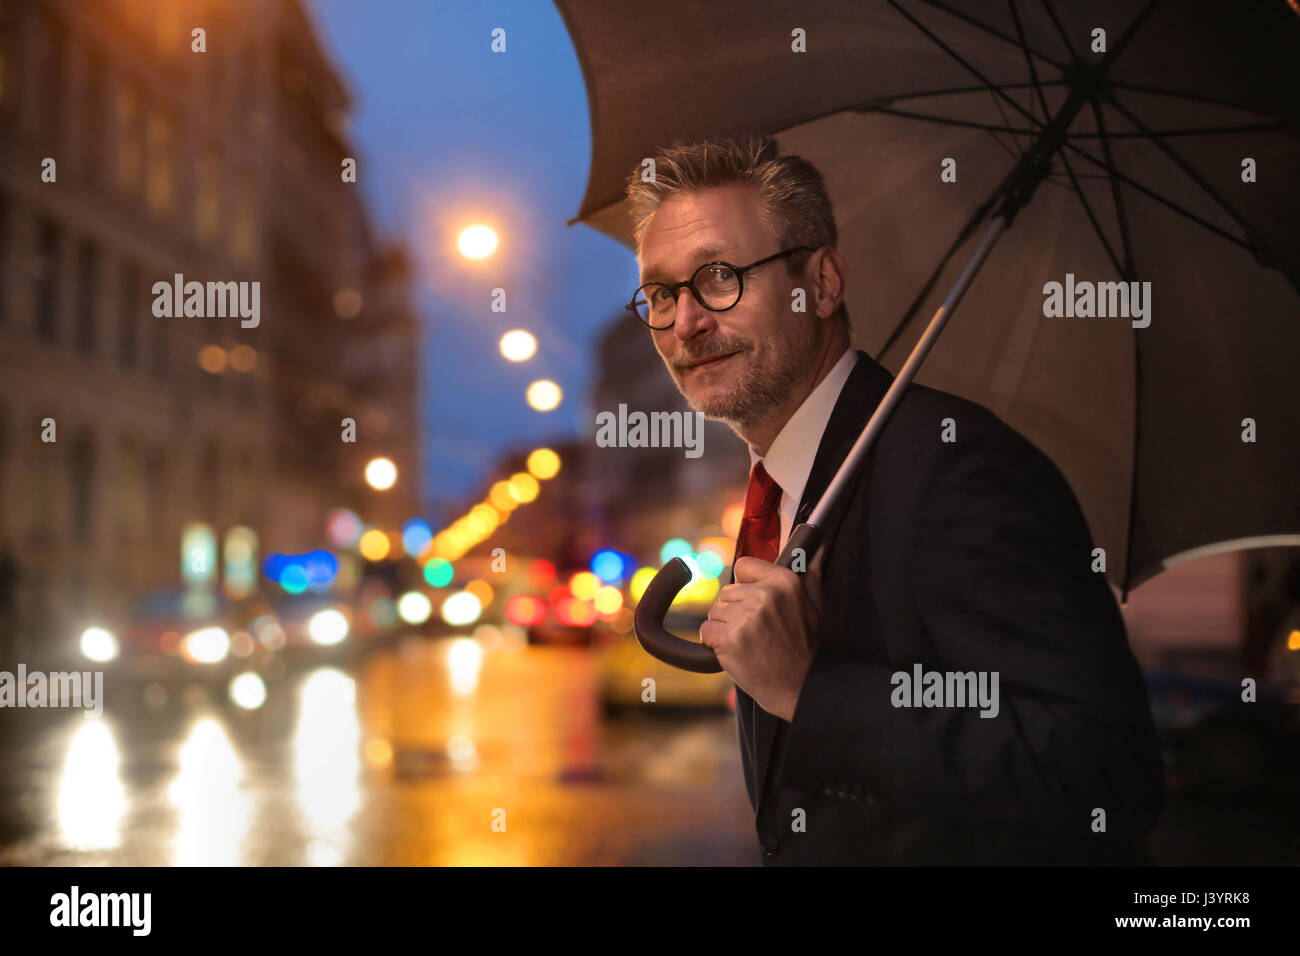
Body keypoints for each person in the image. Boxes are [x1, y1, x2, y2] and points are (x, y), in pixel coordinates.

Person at [625, 134, 1164, 865]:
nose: (686, 322)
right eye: (661, 294)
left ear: (821, 284)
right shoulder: (789, 488)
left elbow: (1101, 776)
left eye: (720, 276)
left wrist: (814, 691)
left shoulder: (957, 468)